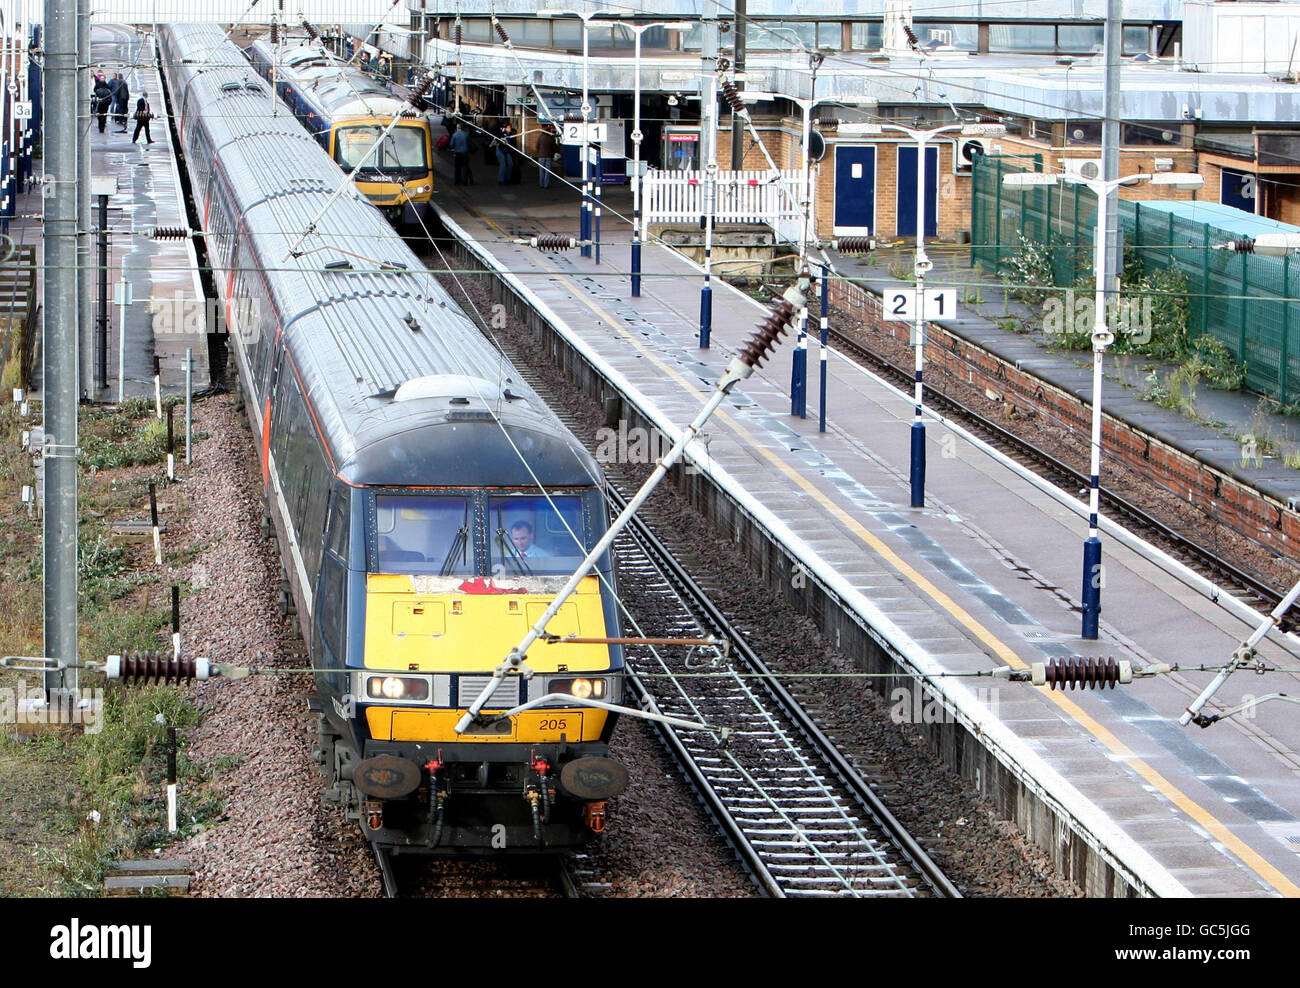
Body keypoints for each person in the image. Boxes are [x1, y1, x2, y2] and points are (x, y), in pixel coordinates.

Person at [535, 123, 556, 189]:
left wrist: (538, 153)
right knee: (547, 171)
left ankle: (541, 184)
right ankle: (546, 185)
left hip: (541, 156)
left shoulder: (540, 137)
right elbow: (554, 147)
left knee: (541, 171)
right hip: (549, 155)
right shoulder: (551, 137)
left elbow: (537, 146)